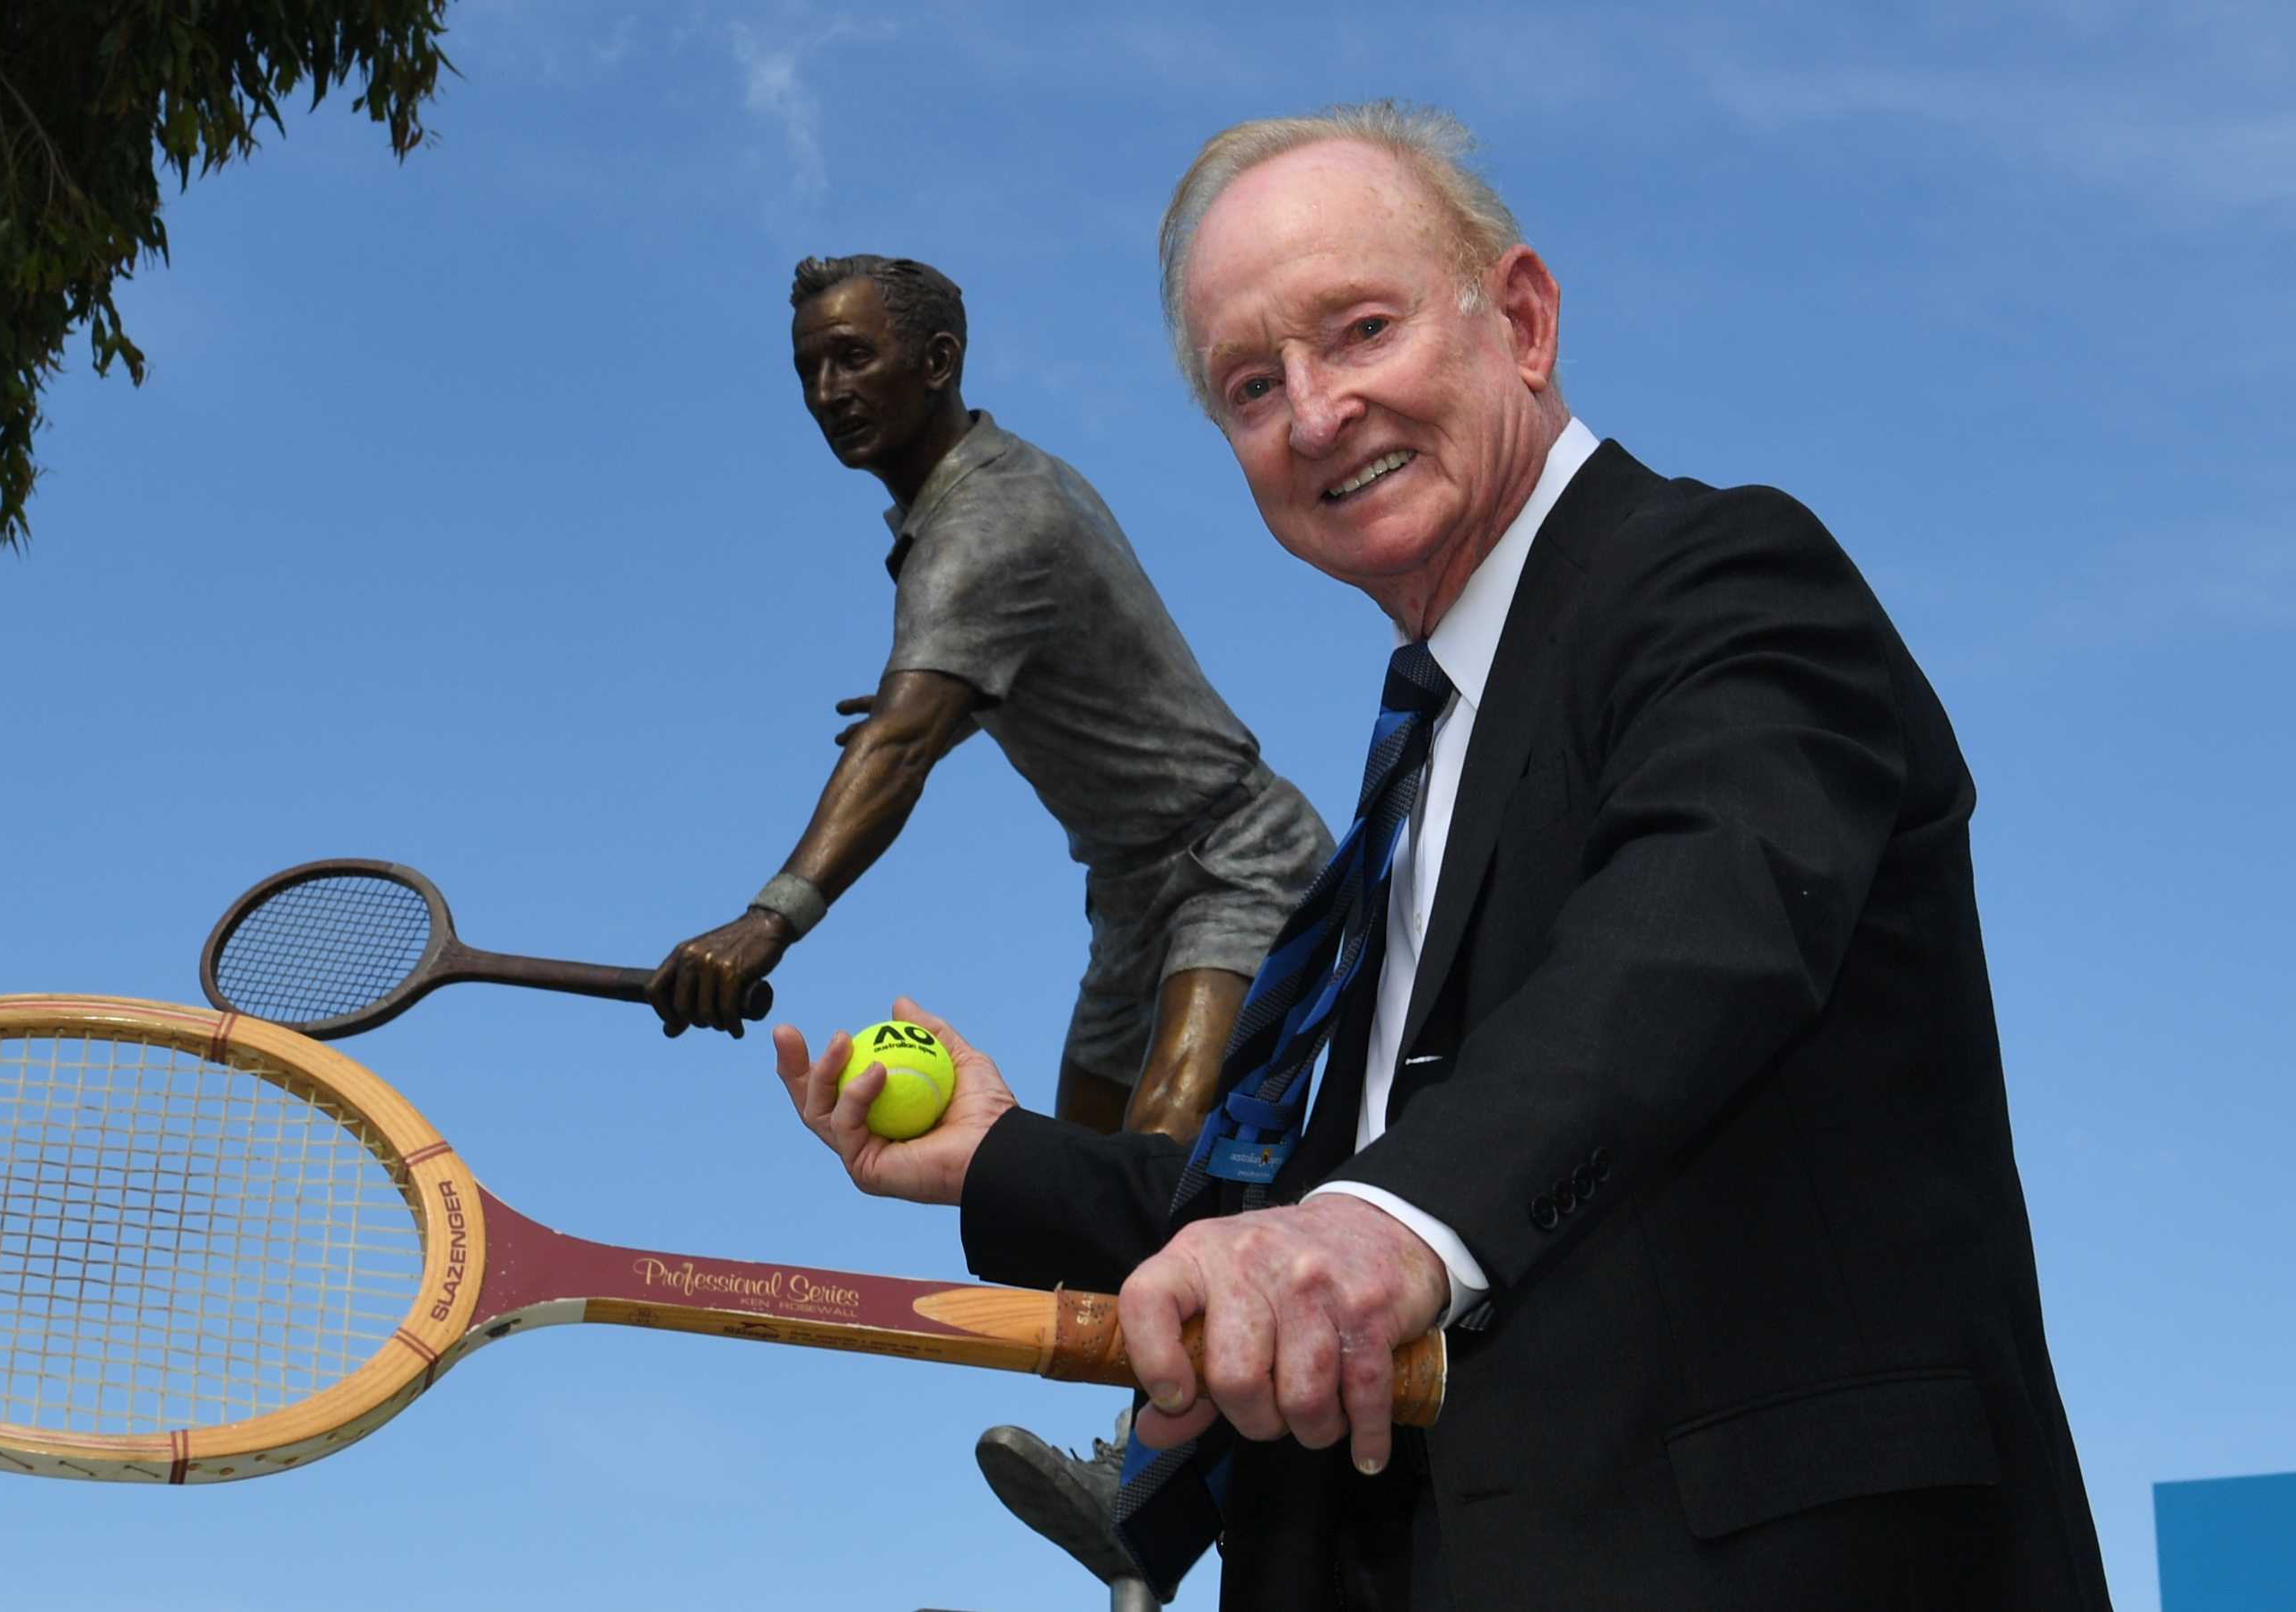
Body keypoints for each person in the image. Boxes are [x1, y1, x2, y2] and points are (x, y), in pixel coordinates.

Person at [770, 103, 2112, 1610]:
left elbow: (1697, 927)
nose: (1318, 412)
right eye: (1252, 386)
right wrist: (1001, 1156)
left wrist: (1372, 1227)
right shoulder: (1405, 788)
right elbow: (1311, 1215)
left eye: (1361, 329)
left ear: (1521, 322)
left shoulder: (1725, 583)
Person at [644, 254, 1335, 1581]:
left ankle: (1146, 1504)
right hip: (1132, 893)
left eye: (854, 359)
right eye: (807, 369)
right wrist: (920, 716)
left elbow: (900, 748)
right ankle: (1173, 1487)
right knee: (1073, 1214)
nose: (827, 391)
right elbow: (925, 718)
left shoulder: (990, 521)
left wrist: (767, 921)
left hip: (1236, 862)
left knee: (1164, 1183)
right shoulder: (951, 518)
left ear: (940, 360)